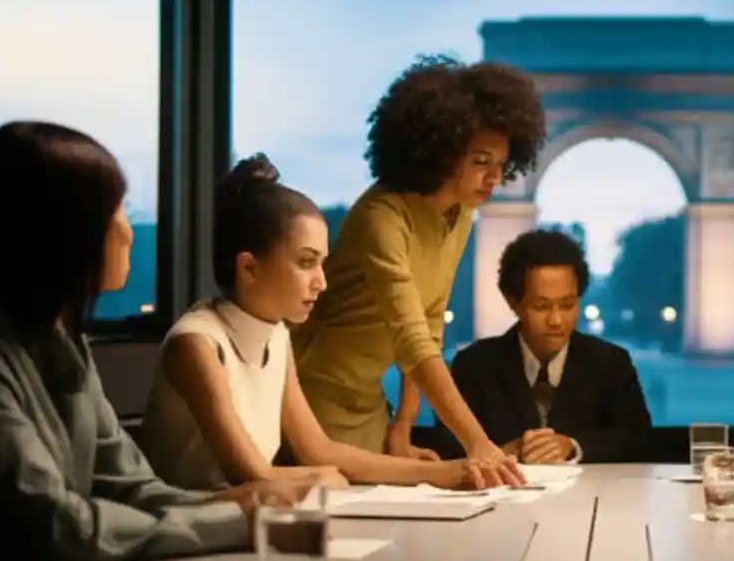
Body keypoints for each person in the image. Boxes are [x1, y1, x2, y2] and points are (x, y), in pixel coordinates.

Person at [0, 122, 303, 561]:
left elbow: (130, 484)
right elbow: (55, 525)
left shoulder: (62, 340)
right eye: (113, 212)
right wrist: (236, 521)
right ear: (59, 232)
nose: (126, 230)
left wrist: (237, 506)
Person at [139, 155, 521, 492]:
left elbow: (319, 450)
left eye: (322, 262)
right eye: (306, 262)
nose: (322, 281)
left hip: (244, 522)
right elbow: (254, 475)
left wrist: (444, 473)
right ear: (249, 268)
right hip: (187, 534)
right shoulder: (197, 344)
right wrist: (324, 478)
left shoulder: (275, 335)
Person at [290, 55, 546, 469]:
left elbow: (429, 323)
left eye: (500, 165)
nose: (494, 178)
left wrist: (403, 429)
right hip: (313, 397)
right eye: (481, 162)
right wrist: (478, 443)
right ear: (441, 150)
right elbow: (411, 340)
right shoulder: (382, 216)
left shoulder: (460, 213)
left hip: (370, 404)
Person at [438, 229, 652, 463]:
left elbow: (639, 439)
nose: (556, 320)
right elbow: (446, 448)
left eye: (568, 305)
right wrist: (503, 452)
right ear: (513, 302)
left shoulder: (611, 362)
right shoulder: (474, 365)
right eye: (541, 306)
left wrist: (572, 446)